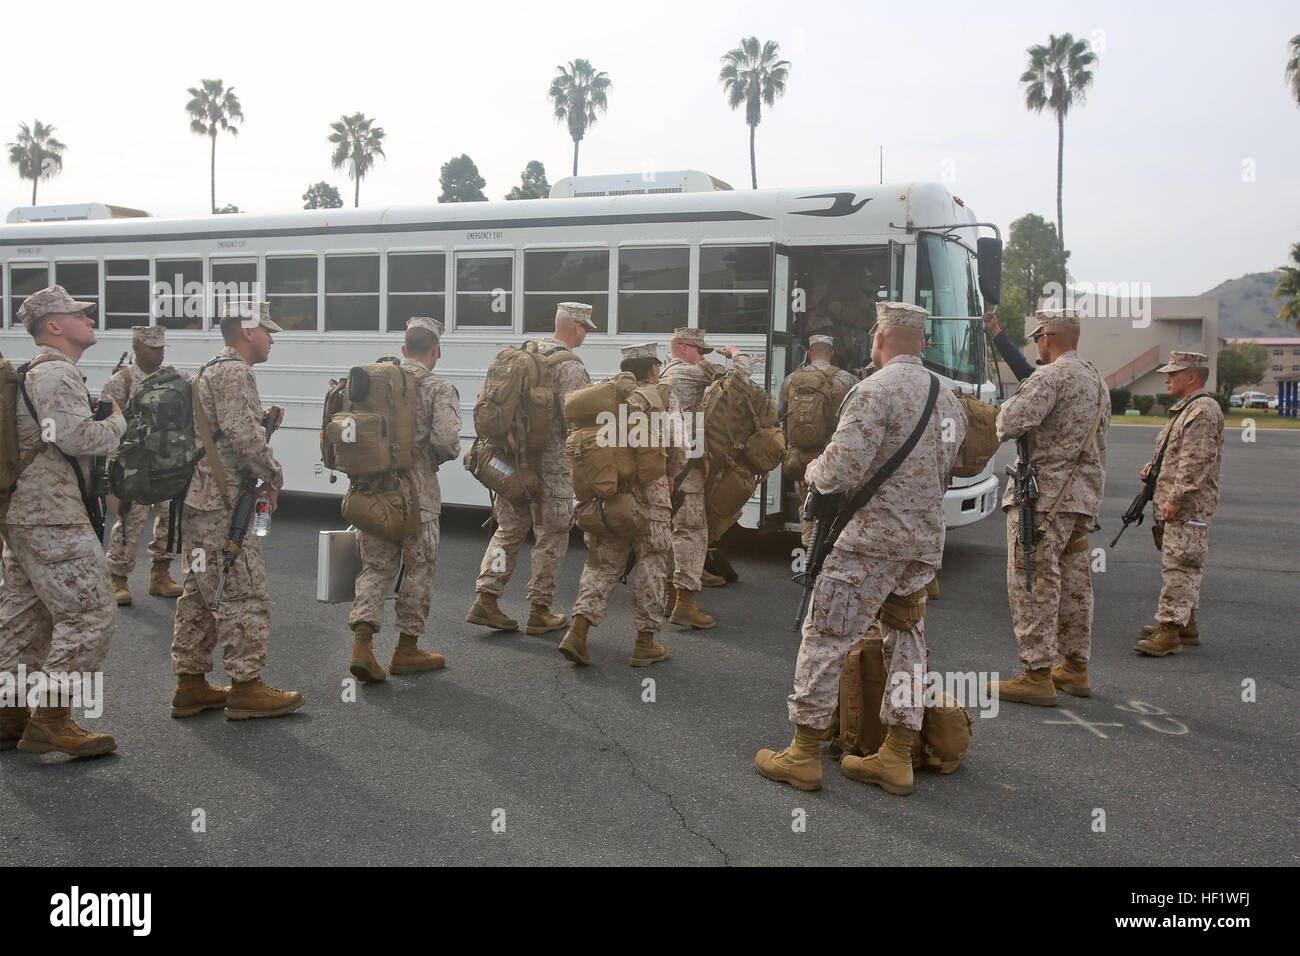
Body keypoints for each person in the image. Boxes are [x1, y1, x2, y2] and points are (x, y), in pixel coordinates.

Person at [754, 302, 966, 796]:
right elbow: (947, 463)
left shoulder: (872, 390)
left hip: (868, 543)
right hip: (922, 543)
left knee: (826, 635)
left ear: (880, 338)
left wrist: (810, 471)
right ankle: (895, 755)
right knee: (906, 638)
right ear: (922, 342)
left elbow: (838, 472)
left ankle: (803, 755)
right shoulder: (949, 395)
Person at [1, 286, 125, 756]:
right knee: (91, 612)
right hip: (51, 515)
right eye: (78, 314)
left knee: (24, 616)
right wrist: (116, 423)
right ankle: (52, 717)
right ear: (53, 326)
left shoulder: (35, 373)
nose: (89, 319)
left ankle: (9, 715)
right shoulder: (55, 374)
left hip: (23, 514)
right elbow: (75, 437)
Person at [169, 301, 302, 720]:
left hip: (200, 499)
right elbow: (244, 437)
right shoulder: (234, 372)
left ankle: (190, 685)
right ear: (247, 331)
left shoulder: (209, 369)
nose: (271, 339)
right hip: (223, 502)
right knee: (242, 589)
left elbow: (229, 430)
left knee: (200, 590)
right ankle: (246, 688)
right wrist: (273, 477)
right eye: (267, 331)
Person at [988, 309, 1108, 705]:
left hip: (1042, 500)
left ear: (1047, 337)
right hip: (1079, 499)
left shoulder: (1051, 376)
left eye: (1038, 335)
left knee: (1033, 578)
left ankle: (1037, 673)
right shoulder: (1096, 379)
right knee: (1074, 582)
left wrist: (1005, 408)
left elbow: (1009, 422)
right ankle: (1075, 667)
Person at [467, 302, 593, 634]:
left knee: (508, 531)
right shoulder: (571, 367)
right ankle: (540, 610)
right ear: (577, 327)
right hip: (553, 469)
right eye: (585, 328)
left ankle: (486, 599)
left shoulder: (526, 354)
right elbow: (575, 421)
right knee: (550, 537)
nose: (584, 335)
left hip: (513, 463)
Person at [558, 343, 687, 667]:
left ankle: (578, 631)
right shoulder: (663, 396)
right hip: (651, 497)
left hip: (610, 495)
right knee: (652, 564)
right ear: (654, 369)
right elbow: (680, 447)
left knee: (602, 563)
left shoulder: (606, 395)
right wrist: (669, 476)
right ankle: (645, 643)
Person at [348, 317, 462, 681]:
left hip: (372, 490)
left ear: (402, 351)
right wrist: (431, 458)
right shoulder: (439, 388)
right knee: (419, 566)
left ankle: (362, 646)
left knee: (377, 567)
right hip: (417, 494)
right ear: (436, 350)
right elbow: (446, 442)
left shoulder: (374, 383)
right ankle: (407, 650)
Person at [658, 327, 752, 627]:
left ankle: (670, 599)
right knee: (691, 532)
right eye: (700, 351)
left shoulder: (665, 373)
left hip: (669, 467)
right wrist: (736, 354)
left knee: (674, 533)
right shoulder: (688, 371)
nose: (702, 357)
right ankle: (684, 603)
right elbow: (740, 379)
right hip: (686, 470)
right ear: (684, 348)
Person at [1135, 351, 1224, 656]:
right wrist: (1152, 469)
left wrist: (1176, 497)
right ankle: (1186, 624)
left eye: (1173, 374)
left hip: (1188, 507)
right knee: (1178, 562)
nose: (1167, 378)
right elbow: (1175, 455)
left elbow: (1196, 461)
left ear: (1192, 378)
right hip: (1177, 505)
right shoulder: (1187, 409)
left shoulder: (1203, 410)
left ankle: (1170, 631)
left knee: (1180, 566)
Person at [102, 325, 187, 605]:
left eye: (162, 348)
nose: (159, 353)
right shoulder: (121, 381)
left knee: (169, 518)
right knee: (129, 520)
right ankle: (118, 578)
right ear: (137, 347)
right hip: (134, 464)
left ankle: (160, 574)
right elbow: (108, 425)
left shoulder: (175, 378)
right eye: (153, 348)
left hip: (166, 462)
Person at [779, 333, 859, 548]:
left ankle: (808, 550)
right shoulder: (845, 379)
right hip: (829, 456)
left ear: (811, 353)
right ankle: (830, 551)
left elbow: (781, 415)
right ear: (831, 354)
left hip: (799, 458)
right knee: (834, 506)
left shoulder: (791, 379)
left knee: (807, 505)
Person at [982, 311, 1036, 382]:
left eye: (1037, 337)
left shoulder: (1042, 379)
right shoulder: (1041, 379)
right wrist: (994, 328)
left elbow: (1016, 361)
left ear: (1047, 340)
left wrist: (995, 328)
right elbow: (1017, 362)